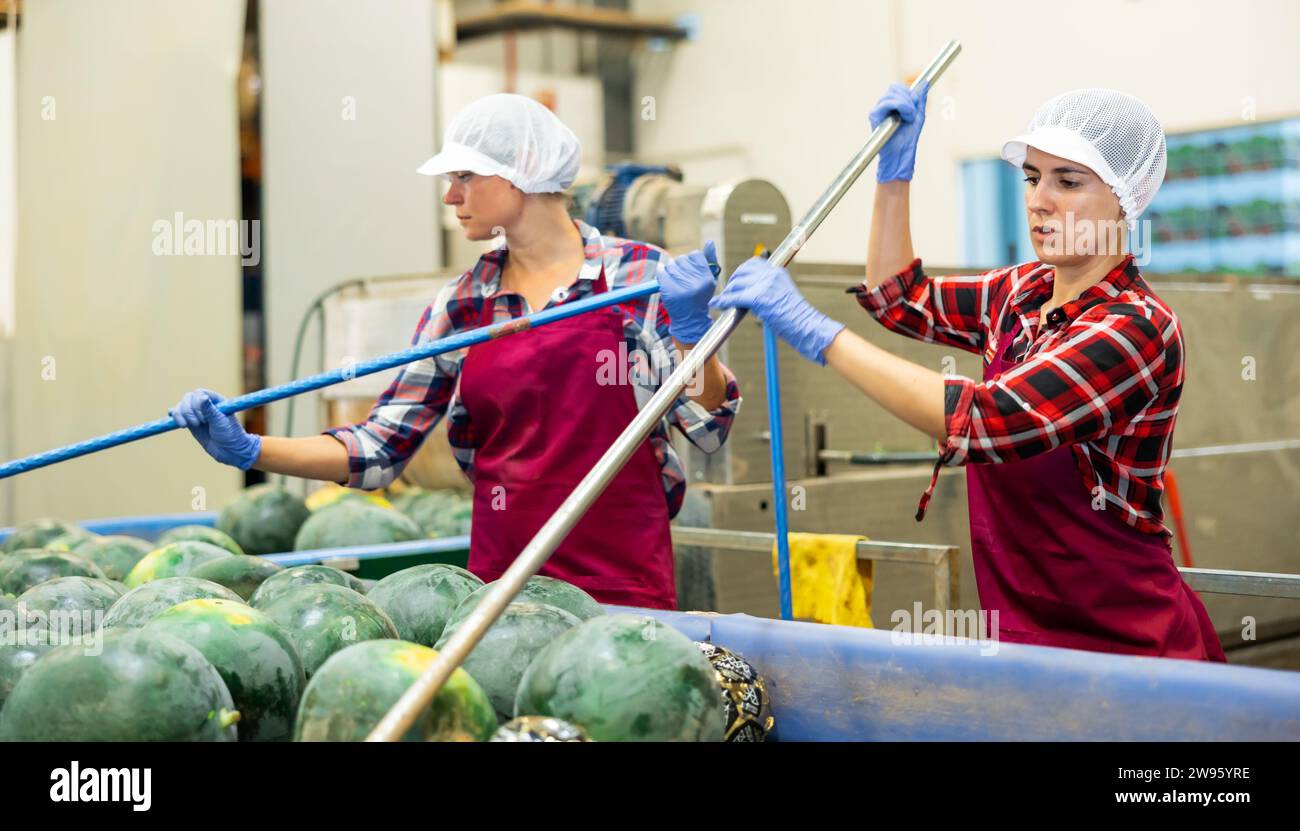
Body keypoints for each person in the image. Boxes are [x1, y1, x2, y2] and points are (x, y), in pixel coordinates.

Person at [707, 85, 1224, 660]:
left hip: (1130, 643)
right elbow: (898, 297)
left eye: (1068, 181)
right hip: (1027, 635)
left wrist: (815, 331)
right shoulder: (1018, 293)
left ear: (1126, 200)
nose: (1039, 201)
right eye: (1032, 178)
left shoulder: (1137, 328)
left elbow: (987, 421)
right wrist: (893, 174)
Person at [170, 93, 741, 610]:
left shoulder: (638, 275)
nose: (451, 196)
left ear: (522, 171)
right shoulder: (462, 304)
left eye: (466, 176)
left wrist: (695, 336)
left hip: (623, 587)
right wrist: (250, 448)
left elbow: (708, 423)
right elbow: (378, 449)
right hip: (501, 593)